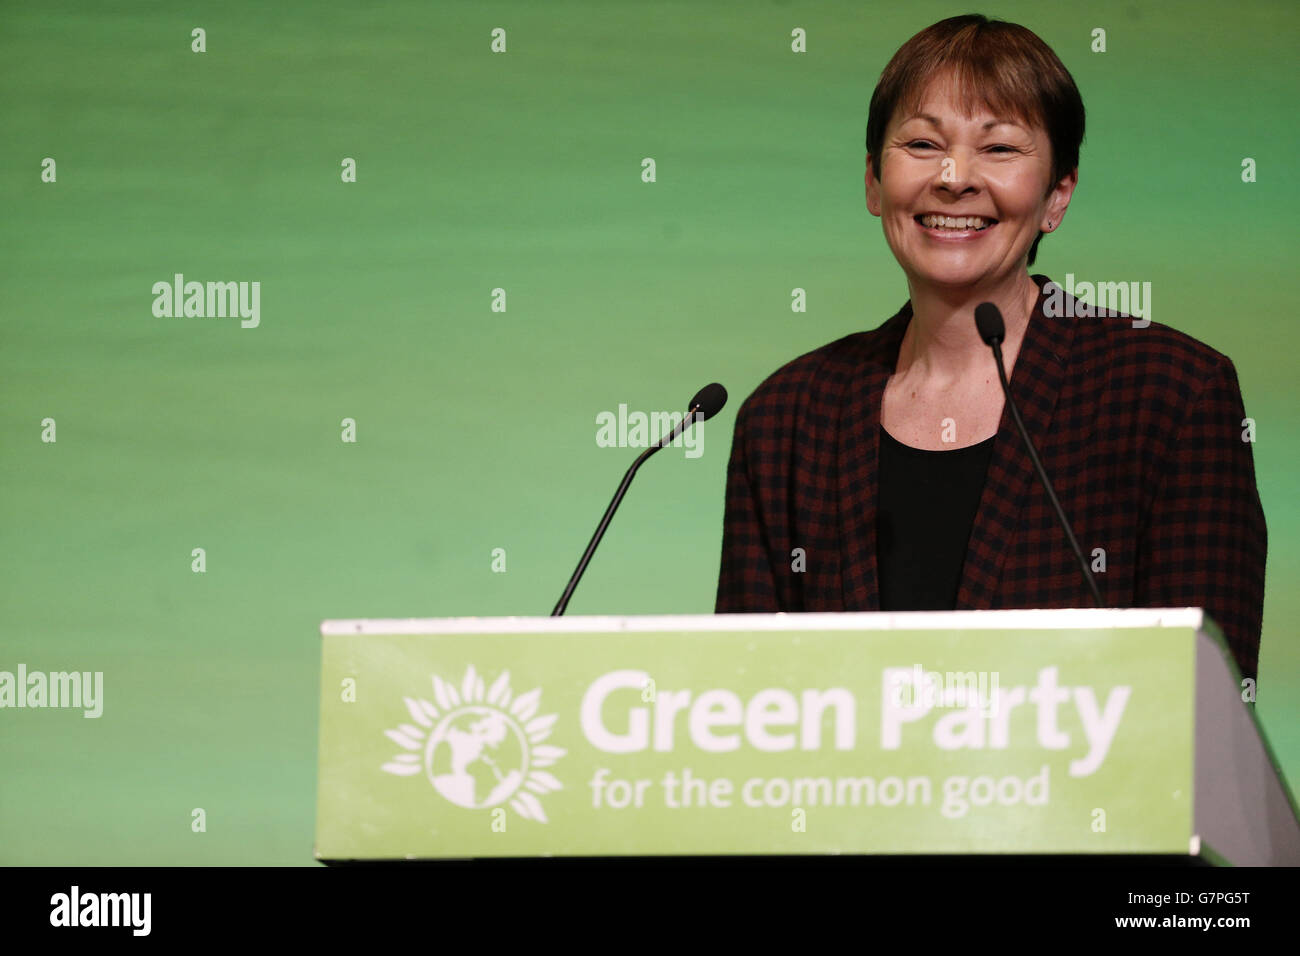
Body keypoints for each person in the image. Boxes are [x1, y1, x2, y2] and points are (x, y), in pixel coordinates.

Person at [714, 14, 1267, 682]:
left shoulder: (1170, 394)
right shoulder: (786, 419)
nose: (955, 178)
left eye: (999, 148)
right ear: (873, 181)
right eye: (923, 144)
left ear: (1057, 195)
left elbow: (1206, 711)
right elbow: (748, 708)